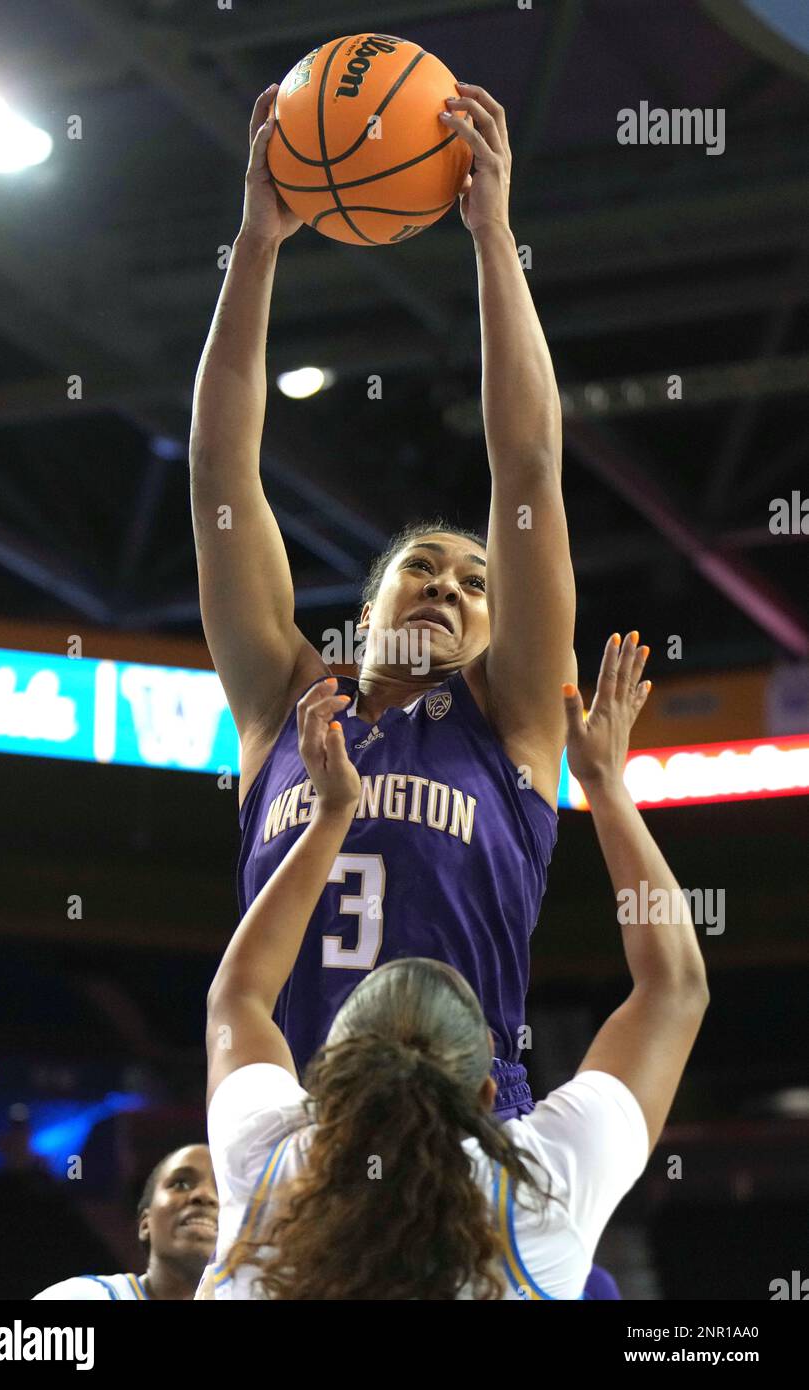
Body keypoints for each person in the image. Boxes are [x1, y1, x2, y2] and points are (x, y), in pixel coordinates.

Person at [190, 79, 575, 1128]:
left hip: (466, 1130)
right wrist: (258, 242)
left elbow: (528, 470)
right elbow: (222, 473)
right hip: (295, 1122)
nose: (450, 583)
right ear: (364, 614)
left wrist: (492, 236)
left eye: (474, 581)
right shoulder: (282, 708)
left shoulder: (513, 724)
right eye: (422, 568)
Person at [196, 636, 709, 1298]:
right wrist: (606, 785)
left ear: (323, 1077)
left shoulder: (265, 1166)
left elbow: (237, 999)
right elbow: (675, 988)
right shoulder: (536, 1200)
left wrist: (331, 814)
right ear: (487, 1095)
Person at [32, 1144, 218, 1300]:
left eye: (222, 1191)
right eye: (181, 1184)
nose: (203, 1195)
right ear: (145, 1223)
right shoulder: (81, 1295)